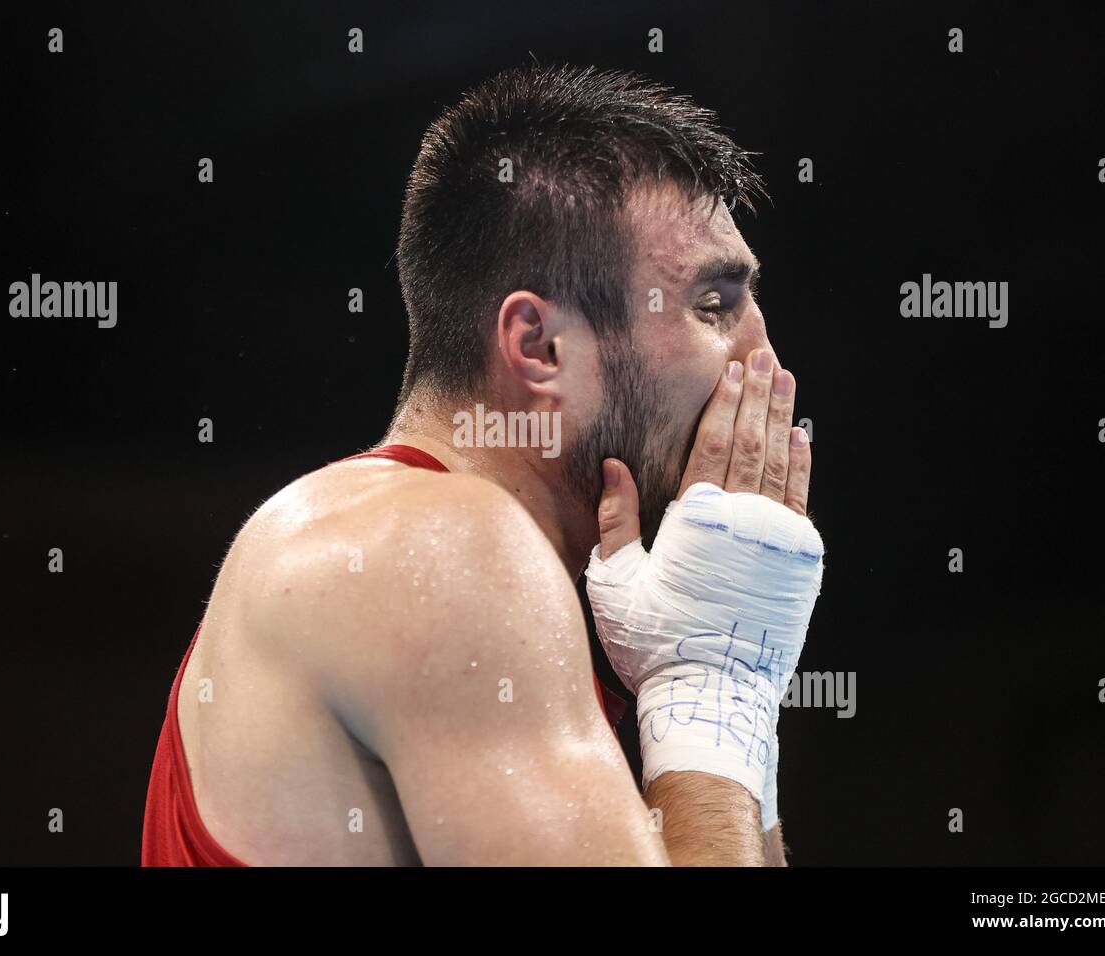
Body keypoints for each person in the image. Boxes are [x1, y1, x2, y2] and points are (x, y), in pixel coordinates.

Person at [143, 63, 824, 866]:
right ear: (539, 347)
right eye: (713, 306)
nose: (764, 359)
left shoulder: (452, 563)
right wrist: (712, 684)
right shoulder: (440, 546)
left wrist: (735, 716)